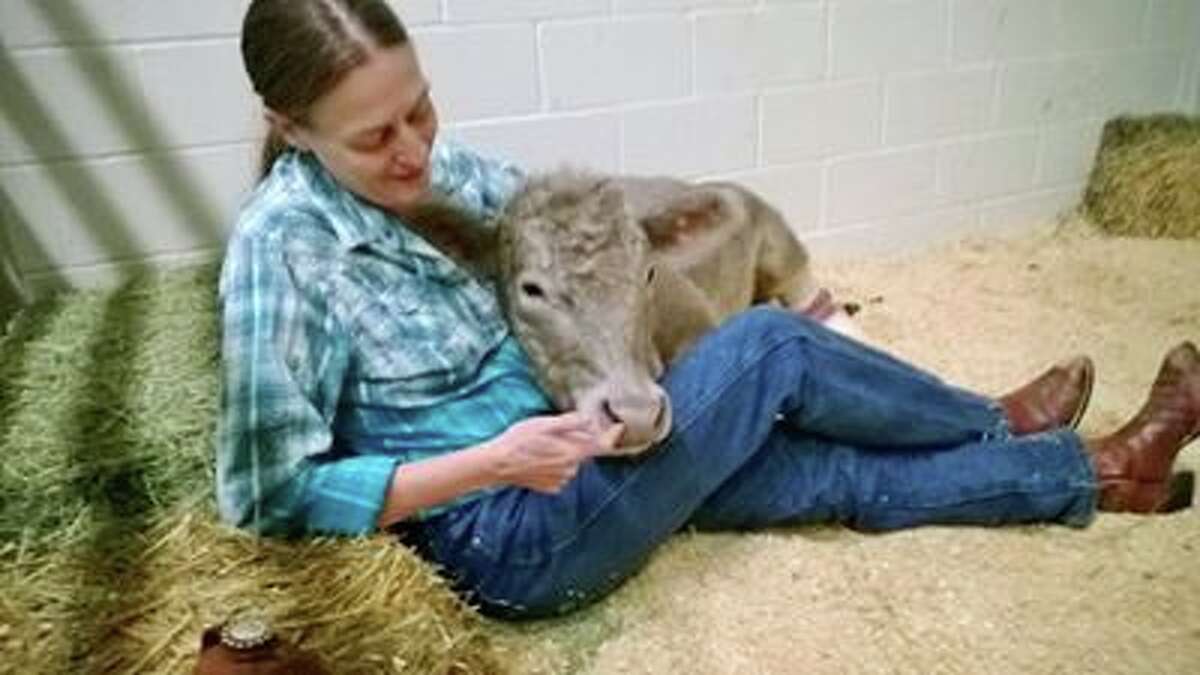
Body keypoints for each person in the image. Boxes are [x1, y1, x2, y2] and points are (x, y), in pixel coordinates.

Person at [220, 0, 1200, 620]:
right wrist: (494, 461)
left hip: (585, 445)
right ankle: (993, 415)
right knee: (772, 347)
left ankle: (1106, 474)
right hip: (504, 536)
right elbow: (268, 495)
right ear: (290, 128)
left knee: (825, 472)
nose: (416, 150)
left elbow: (574, 237)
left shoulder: (453, 170)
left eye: (421, 108)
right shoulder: (281, 256)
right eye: (374, 137)